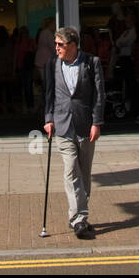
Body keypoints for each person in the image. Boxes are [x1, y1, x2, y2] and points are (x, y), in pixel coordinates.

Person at [43, 26, 105, 239]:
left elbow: (98, 95)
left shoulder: (91, 63)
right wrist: (48, 119)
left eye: (60, 44)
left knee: (84, 174)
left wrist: (96, 123)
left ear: (72, 45)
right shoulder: (52, 65)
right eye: (56, 44)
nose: (56, 48)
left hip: (85, 125)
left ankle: (80, 215)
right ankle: (78, 219)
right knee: (71, 171)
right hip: (62, 125)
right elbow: (49, 95)